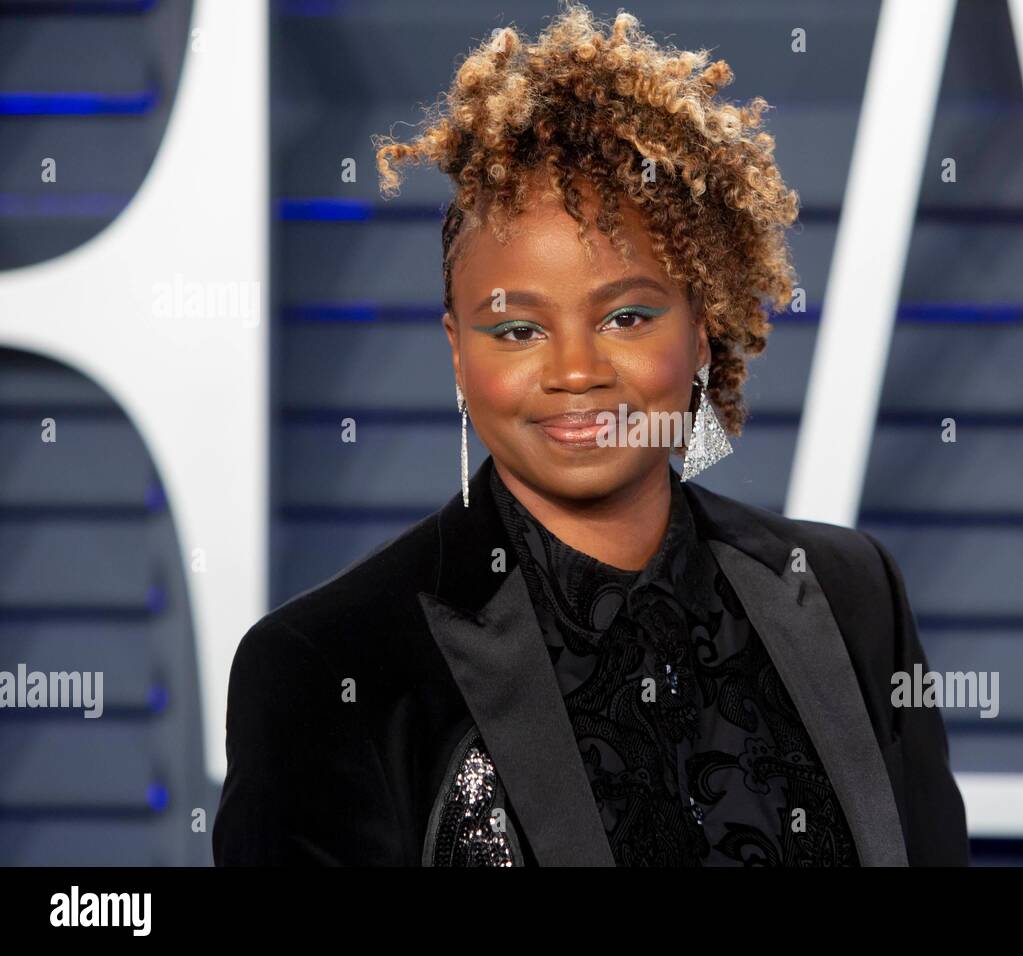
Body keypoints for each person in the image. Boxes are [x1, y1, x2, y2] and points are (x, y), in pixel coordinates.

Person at [212, 2, 968, 866]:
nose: (576, 371)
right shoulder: (327, 666)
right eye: (518, 330)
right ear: (458, 351)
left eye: (627, 317)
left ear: (703, 328)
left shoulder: (851, 594)